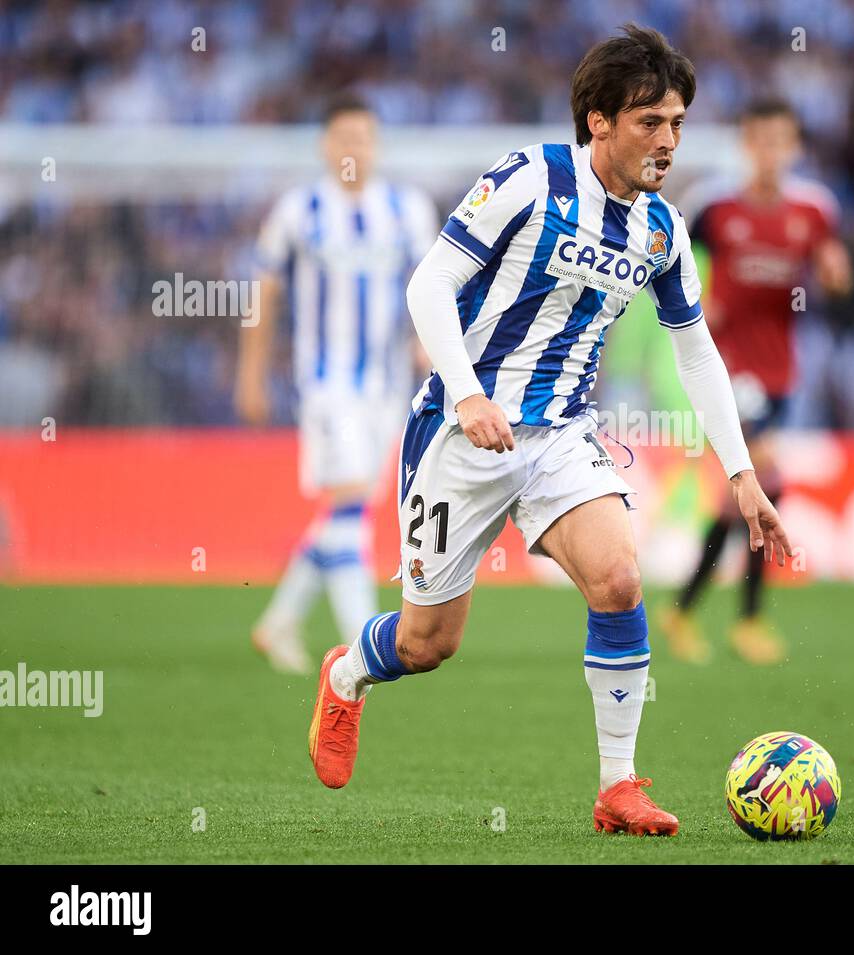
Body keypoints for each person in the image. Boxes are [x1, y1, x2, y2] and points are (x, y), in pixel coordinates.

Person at [306, 25, 790, 837]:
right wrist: (468, 395)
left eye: (676, 123)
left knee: (620, 579)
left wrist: (740, 472)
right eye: (649, 122)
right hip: (461, 433)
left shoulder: (662, 230)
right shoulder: (528, 180)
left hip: (561, 434)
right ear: (599, 121)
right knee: (427, 643)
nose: (667, 141)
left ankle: (617, 785)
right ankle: (347, 671)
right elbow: (430, 284)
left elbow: (696, 349)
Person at [236, 92, 435, 673]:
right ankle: (362, 644)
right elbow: (264, 294)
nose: (355, 149)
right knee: (349, 499)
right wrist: (250, 374)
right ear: (326, 145)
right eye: (345, 138)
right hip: (325, 383)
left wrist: (426, 347)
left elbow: (429, 288)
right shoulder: (298, 211)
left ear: (376, 145)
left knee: (349, 509)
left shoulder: (406, 209)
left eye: (364, 138)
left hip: (387, 386)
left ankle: (279, 622)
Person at [659, 97, 852, 665]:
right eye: (761, 141)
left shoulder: (814, 209)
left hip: (780, 370)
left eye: (781, 142)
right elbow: (667, 259)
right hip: (727, 363)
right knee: (768, 479)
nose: (771, 152)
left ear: (795, 148)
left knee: (736, 502)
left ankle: (684, 610)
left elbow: (837, 273)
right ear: (746, 145)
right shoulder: (714, 208)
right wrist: (696, 305)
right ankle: (747, 620)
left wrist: (836, 276)